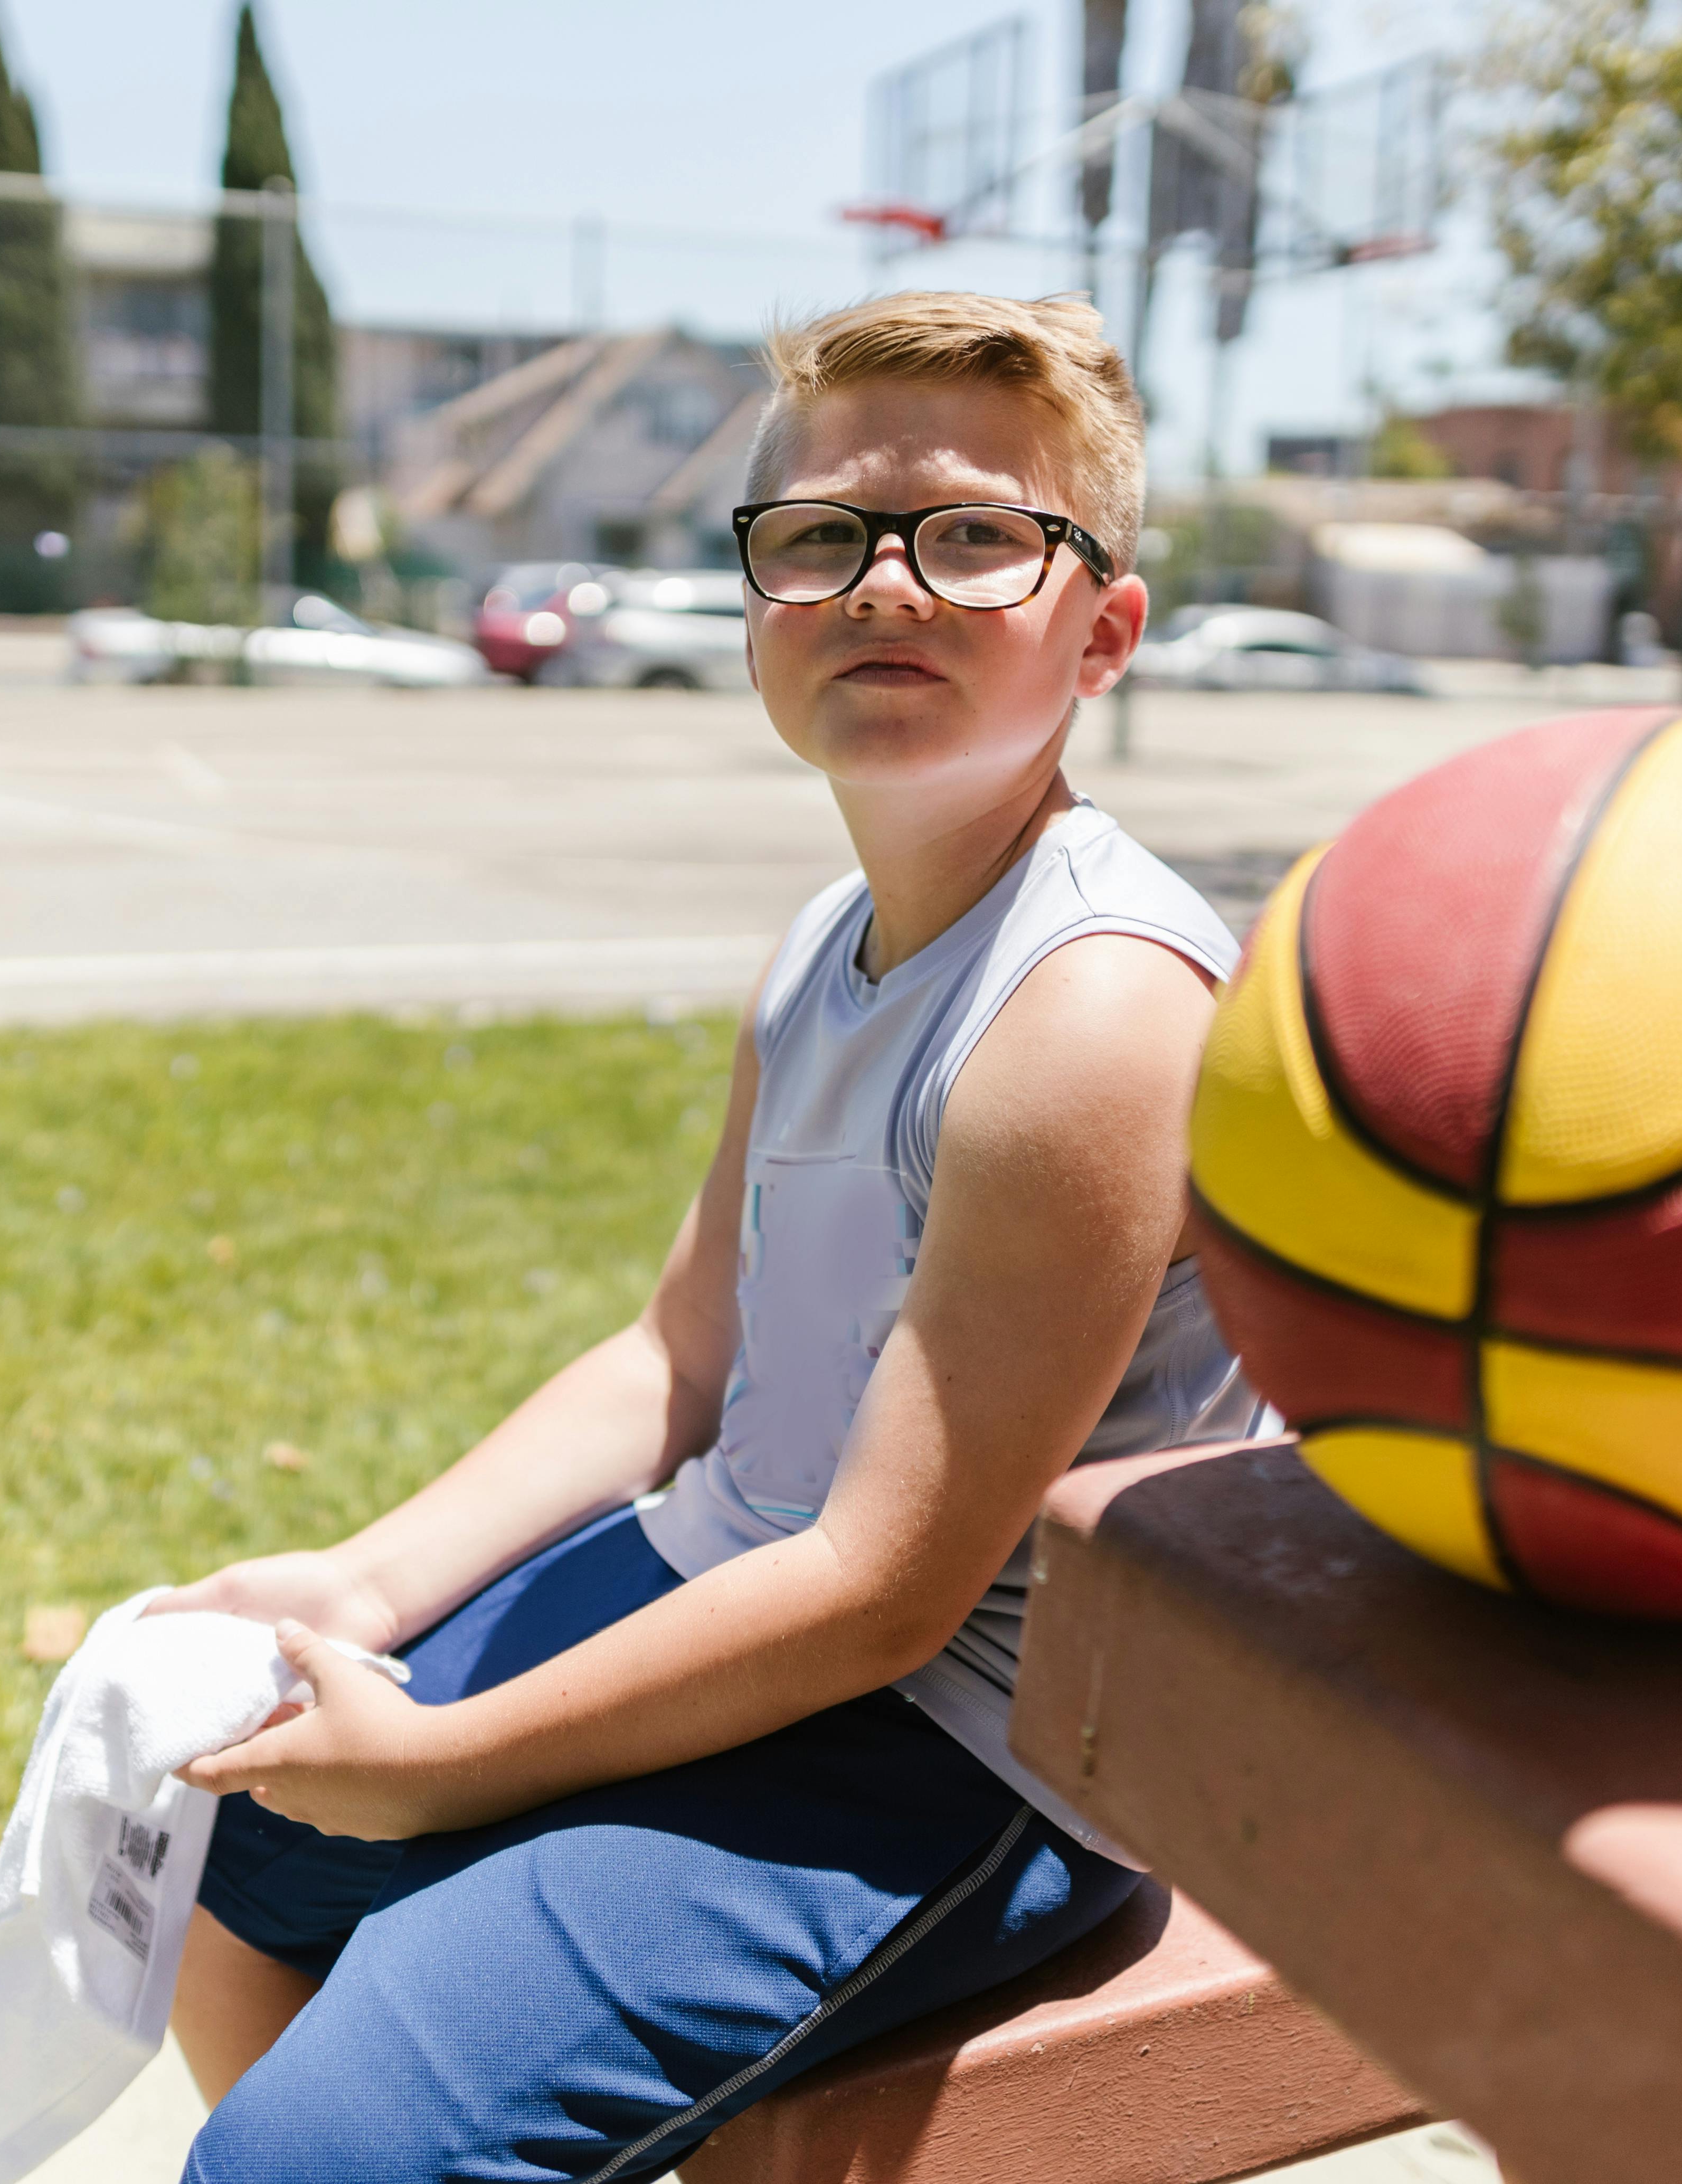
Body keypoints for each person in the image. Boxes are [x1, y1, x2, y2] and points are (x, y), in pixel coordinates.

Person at [146, 292, 1265, 2183]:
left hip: (972, 1750)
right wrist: (365, 1579)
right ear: (756, 603)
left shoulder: (1093, 1012)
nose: (884, 584)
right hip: (733, 1582)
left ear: (1106, 630)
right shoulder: (826, 941)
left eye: (978, 536)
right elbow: (681, 1352)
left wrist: (441, 1763)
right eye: (822, 533)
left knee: (308, 2159)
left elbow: (893, 1589)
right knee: (205, 1839)